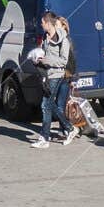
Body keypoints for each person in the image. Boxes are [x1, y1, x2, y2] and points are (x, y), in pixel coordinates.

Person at [30, 10, 78, 148]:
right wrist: (37, 59)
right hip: (47, 75)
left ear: (48, 23)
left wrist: (46, 60)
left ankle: (46, 138)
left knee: (46, 105)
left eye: (42, 22)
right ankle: (68, 129)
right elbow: (44, 54)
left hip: (57, 75)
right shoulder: (46, 38)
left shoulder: (63, 40)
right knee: (49, 105)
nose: (41, 24)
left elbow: (63, 61)